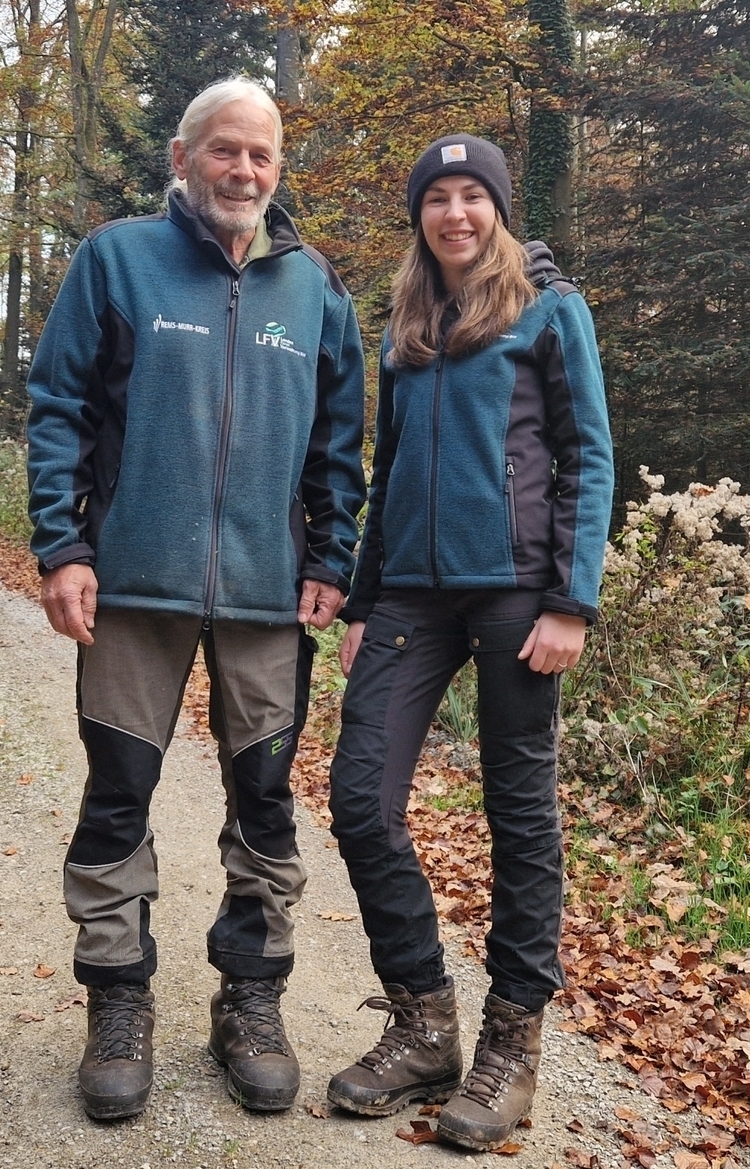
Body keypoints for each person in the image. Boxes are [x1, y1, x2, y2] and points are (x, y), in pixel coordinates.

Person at [25, 77, 366, 1121]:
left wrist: (333, 556)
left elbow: (339, 443)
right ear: (184, 158)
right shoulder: (117, 259)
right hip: (132, 584)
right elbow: (57, 406)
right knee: (118, 791)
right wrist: (63, 543)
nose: (245, 172)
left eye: (262, 156)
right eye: (226, 151)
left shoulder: (315, 288)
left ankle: (250, 999)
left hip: (271, 596)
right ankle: (117, 996)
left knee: (263, 802)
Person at [322, 134, 614, 1150]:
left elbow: (587, 454)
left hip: (517, 597)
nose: (454, 213)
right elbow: (387, 466)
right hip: (408, 594)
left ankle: (510, 1049)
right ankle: (422, 1023)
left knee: (518, 813)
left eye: (471, 196)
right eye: (436, 197)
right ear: (422, 217)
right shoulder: (406, 324)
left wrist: (571, 599)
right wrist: (362, 602)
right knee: (361, 798)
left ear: (496, 209)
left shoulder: (549, 309)